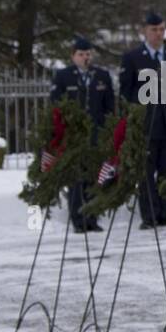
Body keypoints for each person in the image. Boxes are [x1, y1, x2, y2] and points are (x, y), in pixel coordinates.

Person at [119, 12, 166, 228]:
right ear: (145, 31)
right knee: (146, 173)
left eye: (161, 29)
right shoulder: (133, 58)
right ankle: (150, 216)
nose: (158, 34)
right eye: (154, 30)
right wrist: (131, 121)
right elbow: (126, 93)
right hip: (146, 124)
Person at [50, 37, 115, 232]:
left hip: (96, 134)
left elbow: (109, 107)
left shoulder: (101, 75)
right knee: (77, 178)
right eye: (81, 54)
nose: (85, 57)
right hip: (75, 135)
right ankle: (78, 220)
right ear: (73, 56)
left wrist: (108, 131)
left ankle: (92, 218)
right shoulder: (63, 76)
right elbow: (56, 105)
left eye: (88, 54)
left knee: (94, 176)